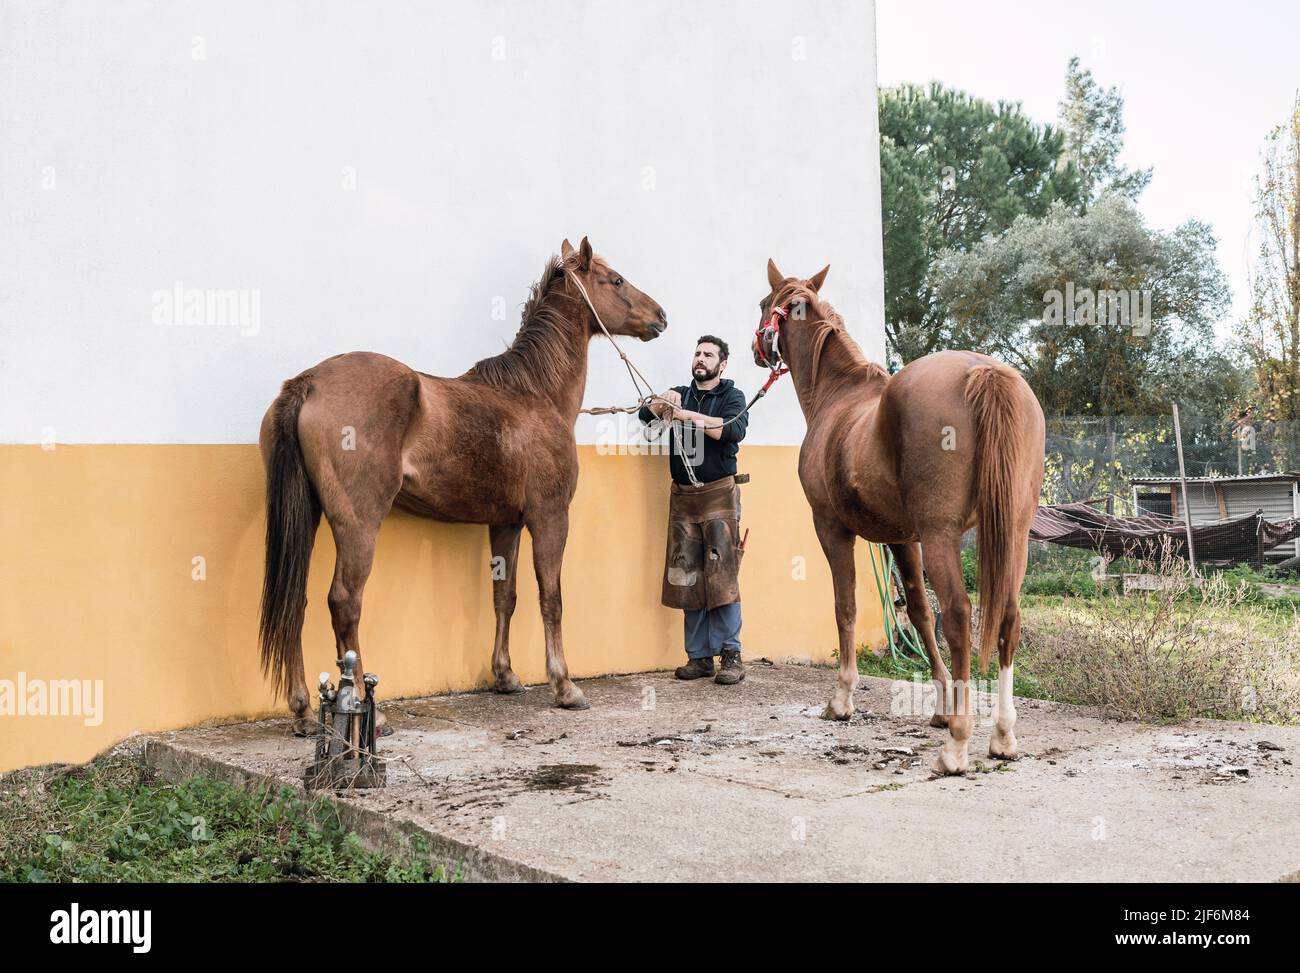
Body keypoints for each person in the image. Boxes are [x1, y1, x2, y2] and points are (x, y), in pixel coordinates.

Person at [638, 335, 749, 685]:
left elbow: (732, 431)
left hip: (719, 495)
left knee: (722, 577)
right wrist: (660, 402)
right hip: (683, 498)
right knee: (687, 577)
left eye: (708, 355)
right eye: (697, 353)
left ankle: (731, 655)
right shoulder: (678, 392)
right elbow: (645, 416)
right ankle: (699, 657)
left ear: (722, 363)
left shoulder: (732, 397)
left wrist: (685, 414)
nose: (700, 359)